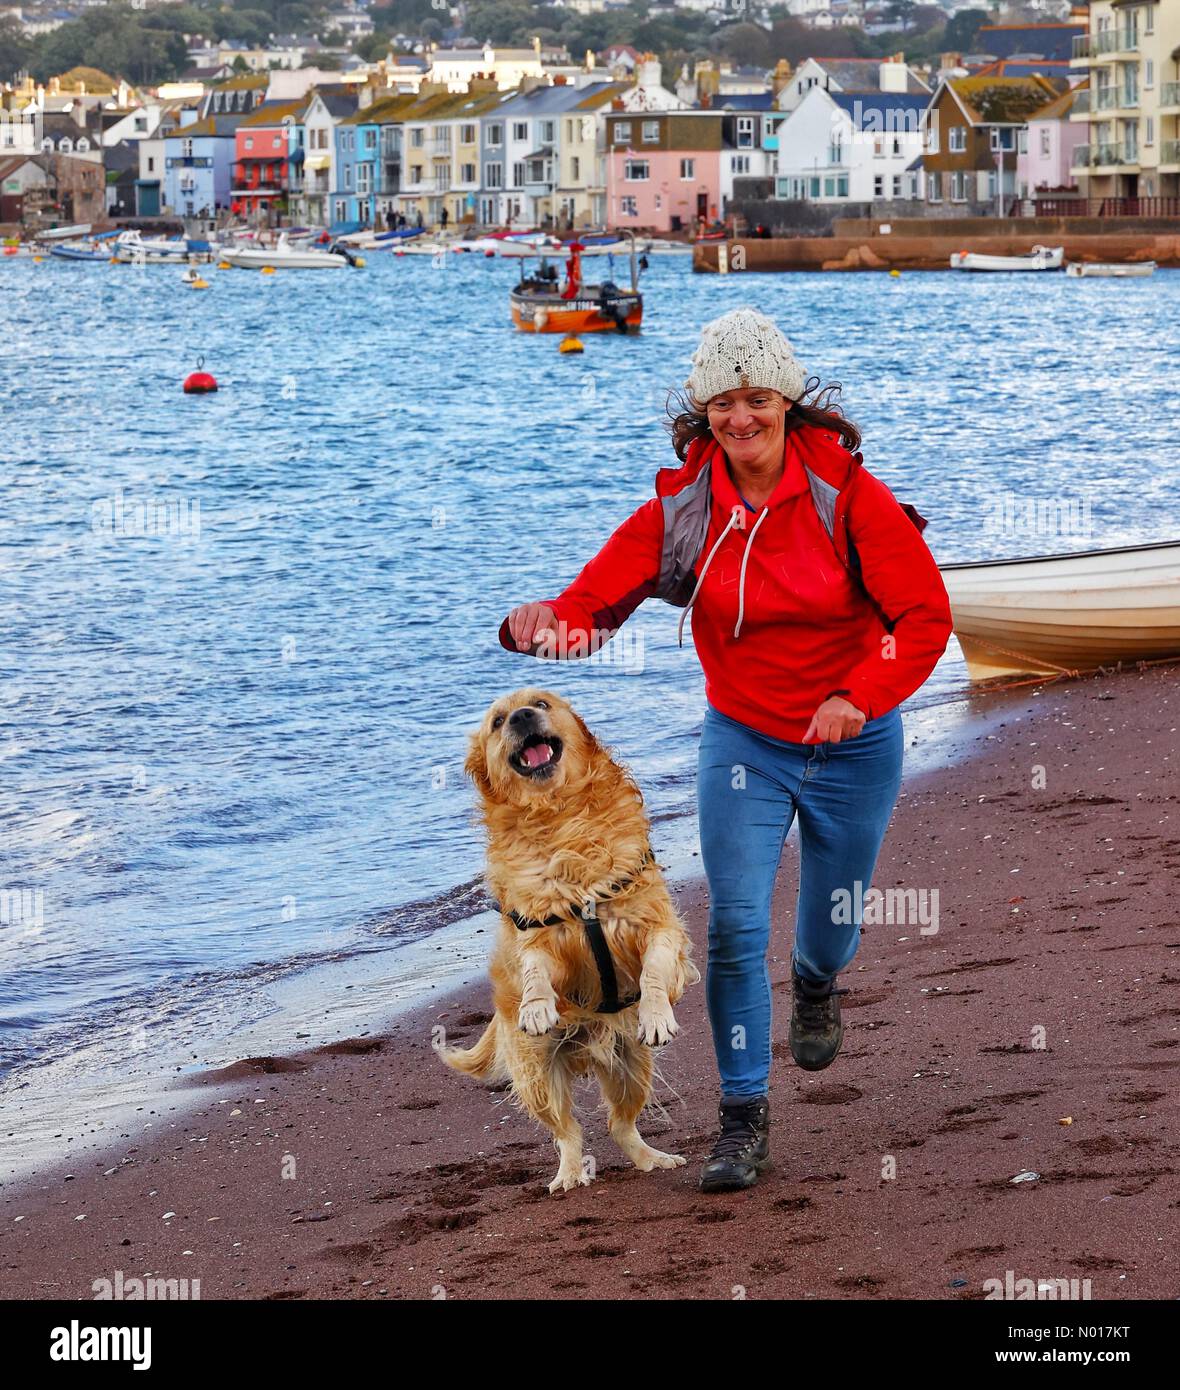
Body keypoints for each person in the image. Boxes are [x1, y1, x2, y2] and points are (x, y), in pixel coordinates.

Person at [501, 308, 952, 1193]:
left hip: (853, 745)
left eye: (756, 399)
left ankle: (818, 980)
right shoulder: (686, 510)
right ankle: (743, 1119)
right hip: (744, 737)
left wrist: (857, 698)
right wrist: (550, 626)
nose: (740, 419)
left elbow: (924, 619)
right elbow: (597, 603)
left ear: (785, 398)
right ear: (703, 410)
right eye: (722, 403)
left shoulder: (849, 497)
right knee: (737, 924)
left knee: (832, 925)